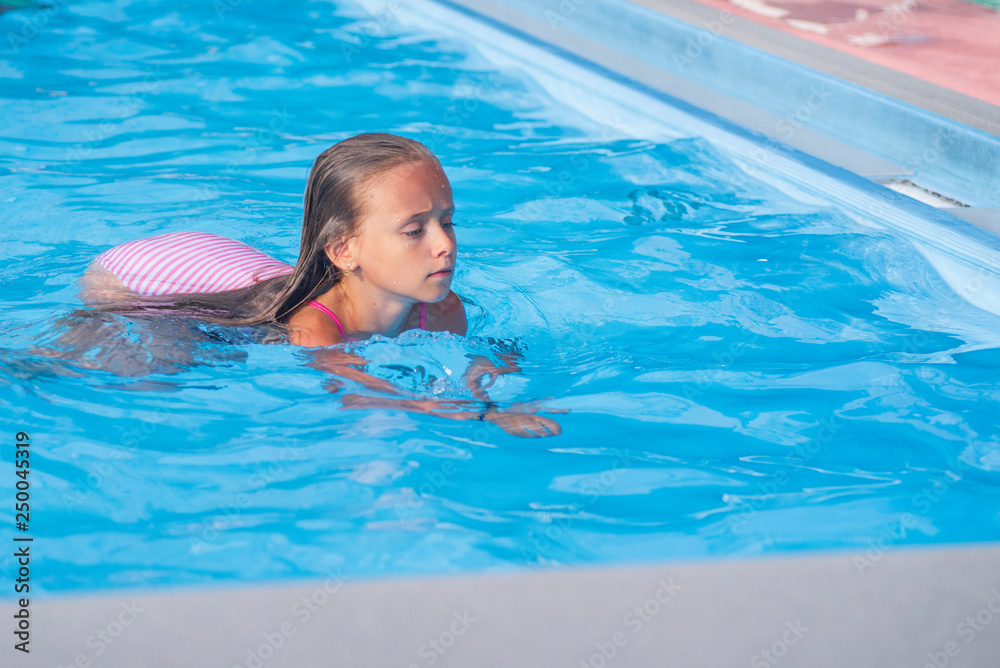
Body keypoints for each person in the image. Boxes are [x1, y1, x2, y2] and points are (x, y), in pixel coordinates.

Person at [78, 133, 563, 438]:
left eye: (448, 221)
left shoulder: (439, 305)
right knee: (154, 376)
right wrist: (476, 417)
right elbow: (360, 393)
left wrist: (496, 395)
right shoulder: (314, 326)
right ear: (343, 250)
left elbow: (476, 363)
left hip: (220, 259)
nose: (444, 245)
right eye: (415, 231)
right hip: (140, 276)